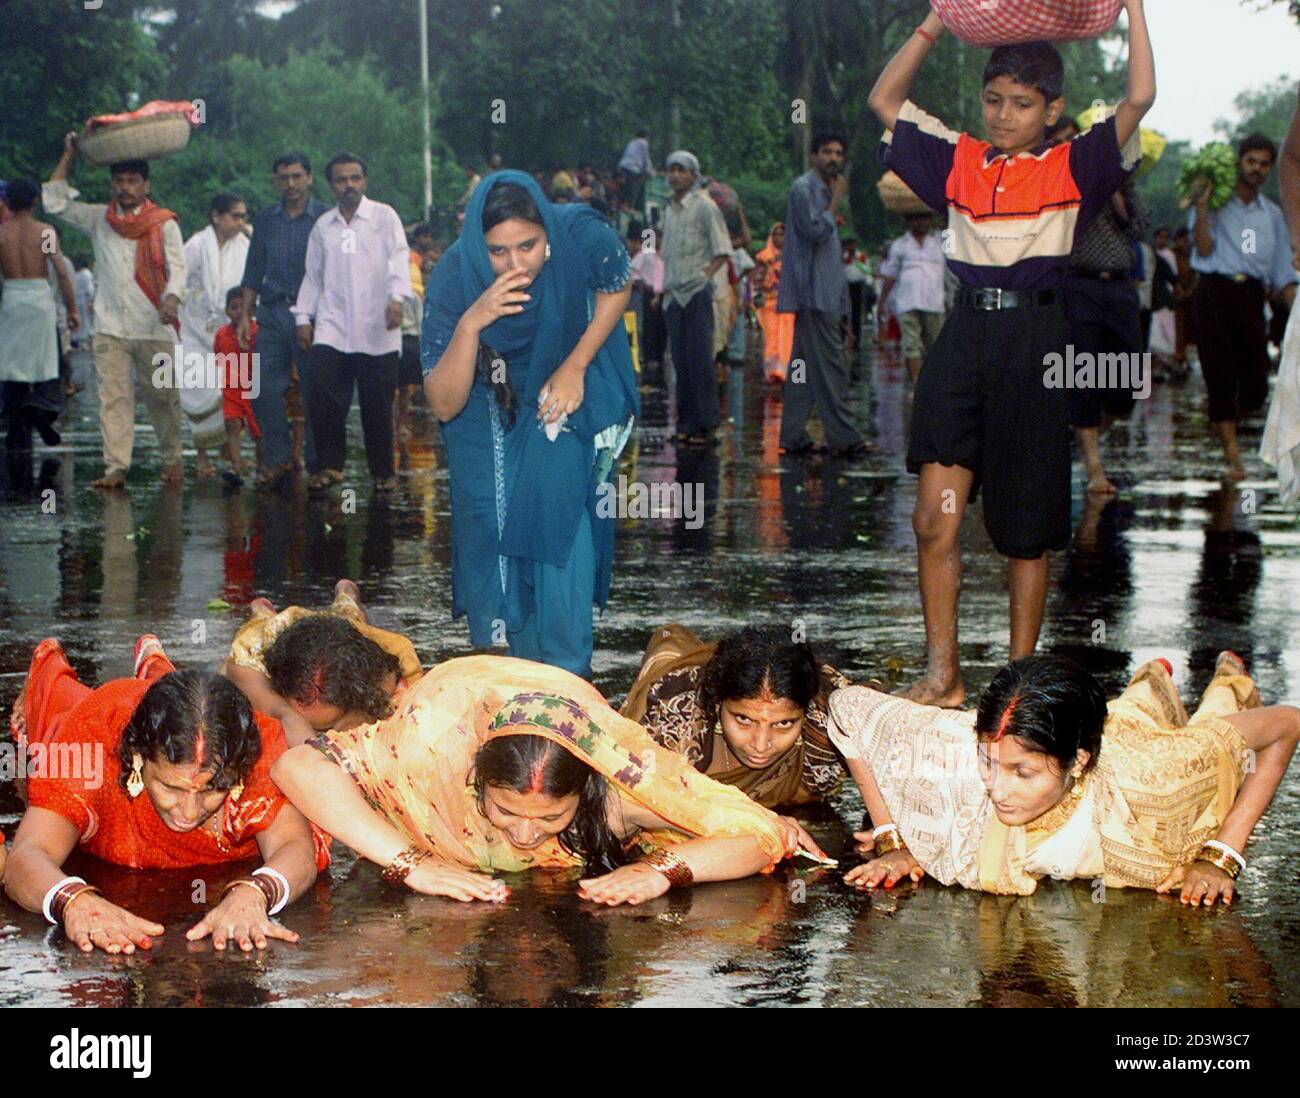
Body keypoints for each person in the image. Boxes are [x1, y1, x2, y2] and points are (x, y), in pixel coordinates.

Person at [868, 1, 1155, 706]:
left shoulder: (1078, 164)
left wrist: (1137, 7)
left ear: (1052, 109)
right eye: (993, 100)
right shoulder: (957, 159)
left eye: (1021, 104)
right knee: (934, 516)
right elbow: (884, 97)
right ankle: (943, 674)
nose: (1002, 115)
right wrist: (937, 19)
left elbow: (1140, 94)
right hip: (964, 340)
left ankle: (1018, 683)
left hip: (1035, 345)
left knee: (1026, 533)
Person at [271, 654, 820, 905]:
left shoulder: (624, 774)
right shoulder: (426, 751)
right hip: (453, 695)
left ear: (586, 790)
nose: (527, 834)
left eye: (552, 817)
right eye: (506, 812)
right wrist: (410, 862)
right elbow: (297, 766)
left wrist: (662, 870)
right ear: (476, 782)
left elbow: (760, 832)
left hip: (565, 702)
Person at [830, 652, 1299, 905]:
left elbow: (1287, 725)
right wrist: (895, 838)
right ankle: (1153, 678)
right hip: (1103, 727)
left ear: (1077, 761)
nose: (996, 788)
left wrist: (1221, 857)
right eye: (987, 761)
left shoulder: (1159, 774)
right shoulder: (958, 742)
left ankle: (1227, 678)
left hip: (1140, 749)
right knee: (1131, 706)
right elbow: (847, 709)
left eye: (1022, 772)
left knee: (1207, 730)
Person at [421, 172, 638, 679]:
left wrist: (577, 364)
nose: (517, 264)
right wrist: (472, 321)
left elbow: (616, 282)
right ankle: (523, 671)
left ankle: (567, 671)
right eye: (498, 251)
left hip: (565, 375)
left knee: (554, 502)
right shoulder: (455, 276)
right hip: (484, 396)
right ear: (478, 244)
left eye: (529, 245)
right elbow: (444, 404)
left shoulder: (580, 234)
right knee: (493, 518)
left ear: (547, 233)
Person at [4, 636, 325, 954]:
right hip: (100, 709)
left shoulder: (255, 751)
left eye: (213, 790)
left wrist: (256, 892)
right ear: (137, 758)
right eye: (171, 788)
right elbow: (26, 857)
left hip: (167, 714)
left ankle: (156, 667)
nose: (188, 811)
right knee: (49, 704)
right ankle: (56, 670)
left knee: (181, 699)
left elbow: (295, 848)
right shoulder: (92, 747)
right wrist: (72, 901)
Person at [44, 134, 187, 490]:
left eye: (132, 181)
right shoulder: (99, 219)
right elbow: (55, 203)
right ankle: (116, 468)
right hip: (109, 326)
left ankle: (172, 458)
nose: (125, 188)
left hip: (154, 326)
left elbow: (179, 268)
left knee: (163, 398)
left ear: (146, 185)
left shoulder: (163, 224)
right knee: (114, 399)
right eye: (119, 182)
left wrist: (171, 298)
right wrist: (68, 153)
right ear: (113, 185)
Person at [621, 624, 853, 809]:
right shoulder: (676, 708)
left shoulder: (831, 715)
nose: (761, 745)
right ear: (719, 703)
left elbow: (885, 732)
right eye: (744, 720)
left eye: (783, 724)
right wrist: (762, 823)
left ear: (806, 712)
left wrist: (888, 842)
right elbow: (654, 804)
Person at [294, 152, 414, 494]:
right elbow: (313, 276)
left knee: (377, 405)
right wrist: (304, 317)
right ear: (331, 184)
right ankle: (332, 466)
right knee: (324, 398)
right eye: (342, 180)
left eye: (355, 178)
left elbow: (399, 259)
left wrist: (396, 300)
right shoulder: (323, 226)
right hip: (333, 327)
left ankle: (382, 472)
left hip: (378, 326)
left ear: (365, 180)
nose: (349, 185)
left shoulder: (383, 217)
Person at [1188, 133, 1299, 482]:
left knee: (1255, 385)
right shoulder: (1216, 203)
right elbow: (1202, 250)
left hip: (1251, 297)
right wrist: (1203, 207)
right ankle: (1233, 458)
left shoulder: (1273, 215)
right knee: (1219, 375)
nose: (1257, 169)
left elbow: (1283, 274)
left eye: (1265, 163)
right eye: (1251, 161)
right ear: (1239, 162)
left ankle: (1225, 425)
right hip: (1214, 291)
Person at [219, 578, 421, 746]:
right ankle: (262, 611)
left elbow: (387, 700)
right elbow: (281, 714)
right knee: (262, 622)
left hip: (344, 634)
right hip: (272, 635)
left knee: (350, 614)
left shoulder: (388, 655)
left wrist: (353, 722)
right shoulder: (248, 655)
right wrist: (291, 717)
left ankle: (347, 594)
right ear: (278, 684)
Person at [239, 152, 328, 491]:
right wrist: (246, 316)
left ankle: (320, 464)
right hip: (273, 310)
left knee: (314, 389)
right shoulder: (265, 220)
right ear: (276, 181)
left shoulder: (325, 217)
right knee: (261, 386)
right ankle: (278, 459)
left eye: (296, 176)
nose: (290, 184)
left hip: (315, 315)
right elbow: (253, 270)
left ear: (309, 177)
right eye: (283, 178)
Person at [776, 133, 868, 459]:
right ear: (814, 155)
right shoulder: (804, 189)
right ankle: (843, 436)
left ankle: (792, 435)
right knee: (831, 367)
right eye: (827, 152)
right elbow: (815, 230)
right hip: (812, 292)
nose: (833, 158)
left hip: (823, 291)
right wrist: (836, 202)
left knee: (802, 368)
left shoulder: (825, 188)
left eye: (838, 152)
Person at [1060, 172, 1151, 497]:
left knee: (1126, 381)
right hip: (1080, 283)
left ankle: (1085, 430)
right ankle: (1093, 467)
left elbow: (1140, 229)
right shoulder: (1072, 182)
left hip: (1122, 286)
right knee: (1083, 372)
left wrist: (1115, 192)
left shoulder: (1127, 186)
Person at [0, 179, 77, 453]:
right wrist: (72, 308)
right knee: (49, 360)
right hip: (39, 297)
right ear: (35, 202)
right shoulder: (44, 232)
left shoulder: (1, 234)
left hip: (12, 297)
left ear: (7, 202)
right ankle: (41, 407)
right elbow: (60, 271)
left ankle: (16, 426)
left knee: (12, 366)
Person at [660, 150, 731, 447]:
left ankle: (706, 425)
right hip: (673, 295)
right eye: (672, 170)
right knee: (681, 362)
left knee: (700, 361)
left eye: (682, 170)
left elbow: (722, 249)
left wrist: (704, 275)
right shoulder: (669, 210)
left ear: (693, 174)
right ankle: (686, 423)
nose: (676, 175)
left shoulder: (705, 207)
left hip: (697, 292)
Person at [179, 192, 249, 480]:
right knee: (200, 389)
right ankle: (202, 456)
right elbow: (179, 278)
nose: (240, 222)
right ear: (216, 217)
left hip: (231, 326)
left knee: (235, 390)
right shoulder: (197, 245)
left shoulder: (245, 246)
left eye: (243, 216)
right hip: (196, 326)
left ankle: (231, 451)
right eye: (234, 216)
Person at [877, 211, 946, 383]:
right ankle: (917, 384)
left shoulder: (941, 241)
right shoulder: (900, 245)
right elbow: (890, 276)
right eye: (916, 218)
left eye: (925, 218)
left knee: (936, 346)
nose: (921, 222)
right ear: (907, 220)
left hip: (935, 302)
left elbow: (954, 236)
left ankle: (934, 383)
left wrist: (947, 213)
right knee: (911, 345)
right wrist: (881, 303)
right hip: (908, 302)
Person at [214, 287, 260, 483]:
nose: (239, 312)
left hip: (254, 387)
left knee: (258, 431)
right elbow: (217, 356)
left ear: (252, 311)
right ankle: (235, 465)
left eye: (244, 308)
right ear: (226, 310)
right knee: (232, 424)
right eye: (234, 308)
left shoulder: (257, 332)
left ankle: (263, 465)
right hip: (231, 387)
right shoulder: (221, 334)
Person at [754, 223, 794, 385]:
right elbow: (758, 280)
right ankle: (772, 374)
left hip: (789, 304)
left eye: (783, 234)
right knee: (771, 338)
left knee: (788, 338)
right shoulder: (762, 257)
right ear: (771, 237)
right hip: (769, 304)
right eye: (776, 234)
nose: (779, 238)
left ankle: (793, 376)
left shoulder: (793, 256)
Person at [618, 129, 654, 214]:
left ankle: (622, 205)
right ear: (646, 136)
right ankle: (629, 207)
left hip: (623, 165)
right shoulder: (643, 142)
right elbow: (646, 157)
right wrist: (649, 170)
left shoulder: (632, 142)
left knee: (625, 187)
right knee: (633, 188)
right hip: (632, 168)